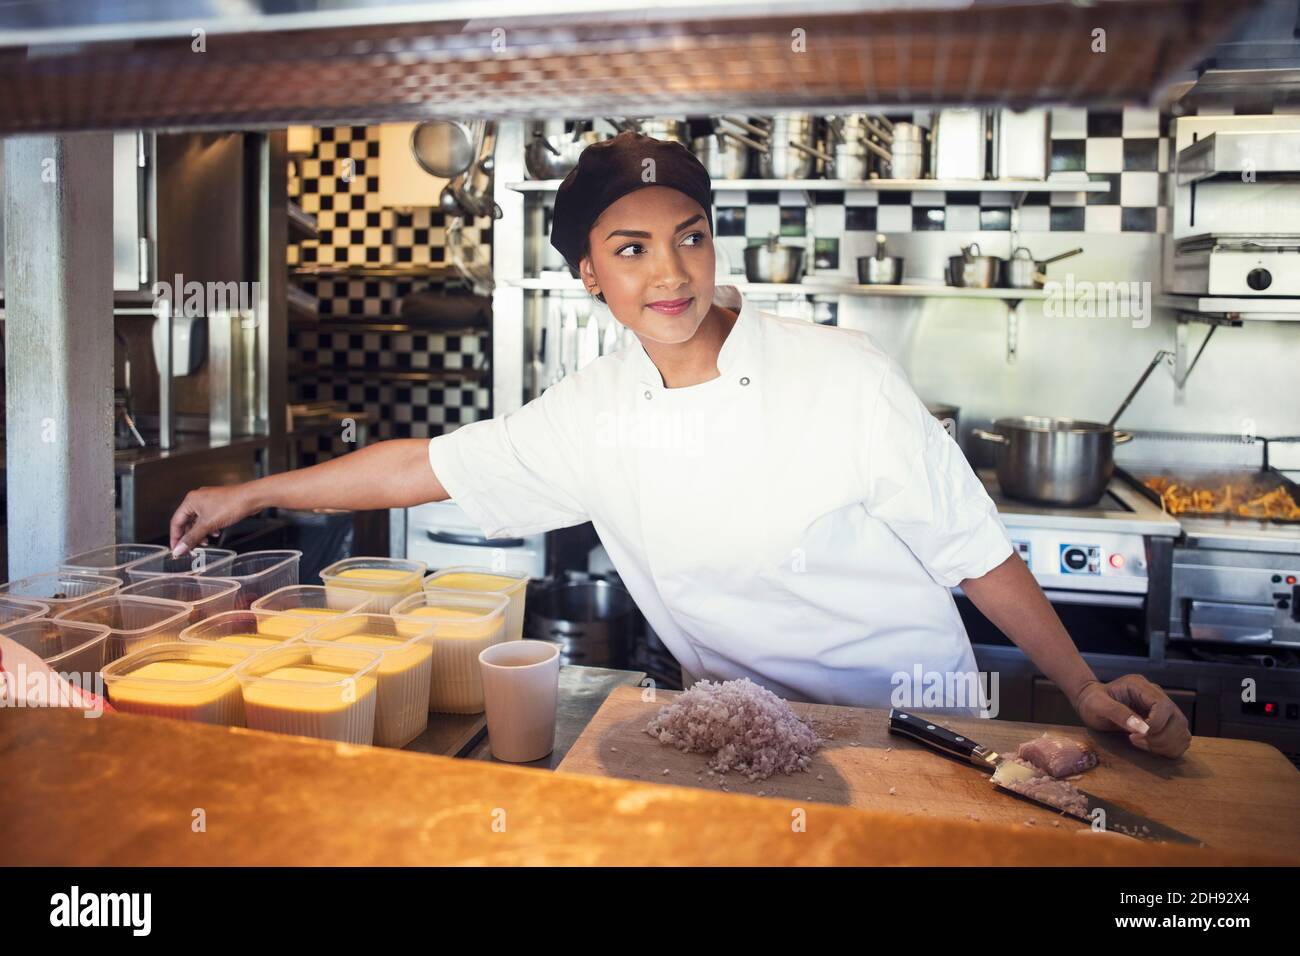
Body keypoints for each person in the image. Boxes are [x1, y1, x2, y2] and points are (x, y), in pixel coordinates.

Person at [170, 131, 1190, 758]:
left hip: (911, 727)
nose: (670, 271)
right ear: (588, 276)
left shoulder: (840, 373)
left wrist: (1084, 686)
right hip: (739, 731)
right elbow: (422, 465)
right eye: (631, 248)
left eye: (690, 234)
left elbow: (974, 549)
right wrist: (256, 494)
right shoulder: (593, 409)